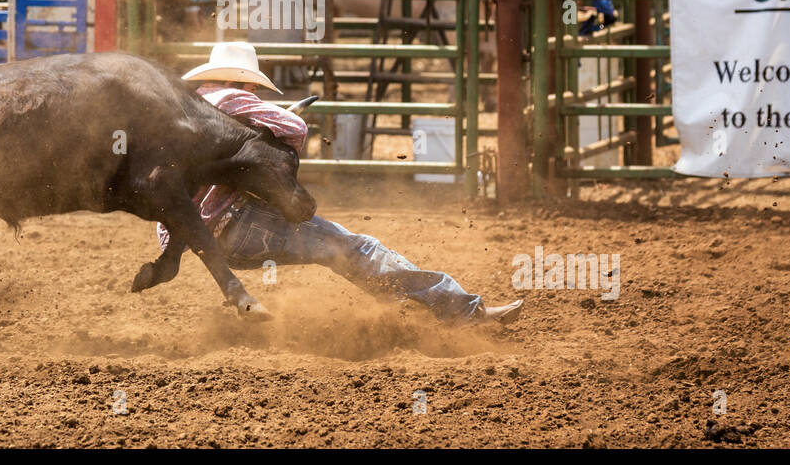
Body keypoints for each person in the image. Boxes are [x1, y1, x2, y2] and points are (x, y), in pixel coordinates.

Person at [161, 41, 524, 327]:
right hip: (244, 225)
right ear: (241, 82)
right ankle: (464, 312)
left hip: (211, 246)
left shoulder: (185, 109)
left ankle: (414, 308)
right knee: (356, 248)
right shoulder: (231, 98)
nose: (252, 92)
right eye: (252, 86)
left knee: (340, 251)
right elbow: (295, 127)